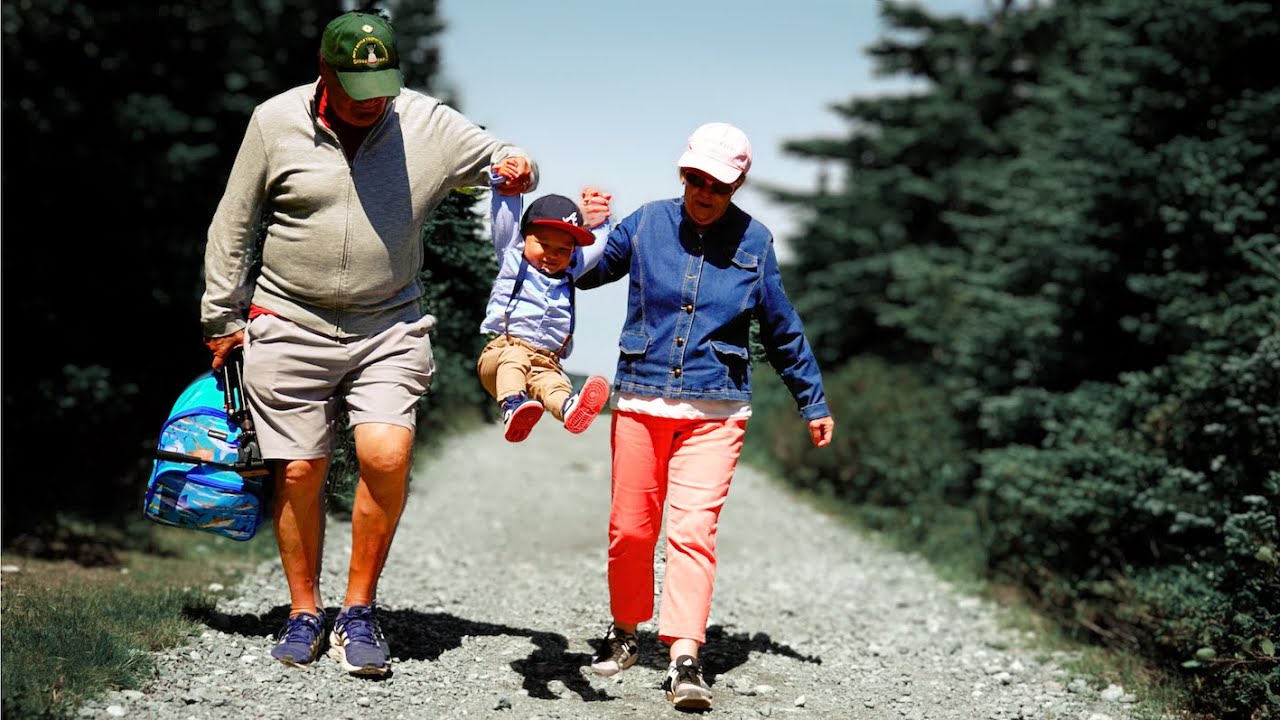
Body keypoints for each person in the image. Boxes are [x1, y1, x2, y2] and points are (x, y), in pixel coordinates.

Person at [199, 8, 537, 676]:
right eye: (357, 90)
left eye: (382, 86)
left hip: (388, 323)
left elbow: (500, 157)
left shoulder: (424, 122)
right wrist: (222, 318)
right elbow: (233, 223)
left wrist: (517, 165)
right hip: (287, 318)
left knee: (386, 452)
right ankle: (303, 611)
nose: (372, 103)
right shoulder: (275, 120)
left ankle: (358, 610)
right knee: (298, 469)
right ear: (324, 73)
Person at [577, 122, 835, 710]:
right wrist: (584, 227)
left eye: (716, 183)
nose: (702, 191)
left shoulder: (756, 243)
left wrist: (812, 400)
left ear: (737, 182)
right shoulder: (645, 224)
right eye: (694, 178)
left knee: (692, 532)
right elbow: (583, 271)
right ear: (682, 172)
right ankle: (625, 633)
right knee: (631, 531)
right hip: (641, 400)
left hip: (716, 409)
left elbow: (782, 329)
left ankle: (685, 658)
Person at [477, 160, 613, 442]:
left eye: (563, 249)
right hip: (502, 354)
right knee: (514, 358)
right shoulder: (513, 258)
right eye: (544, 244)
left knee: (553, 382)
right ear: (525, 238)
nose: (553, 254)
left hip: (545, 362)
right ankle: (513, 405)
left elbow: (596, 248)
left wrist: (601, 221)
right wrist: (507, 186)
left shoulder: (570, 271)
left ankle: (569, 407)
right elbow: (506, 217)